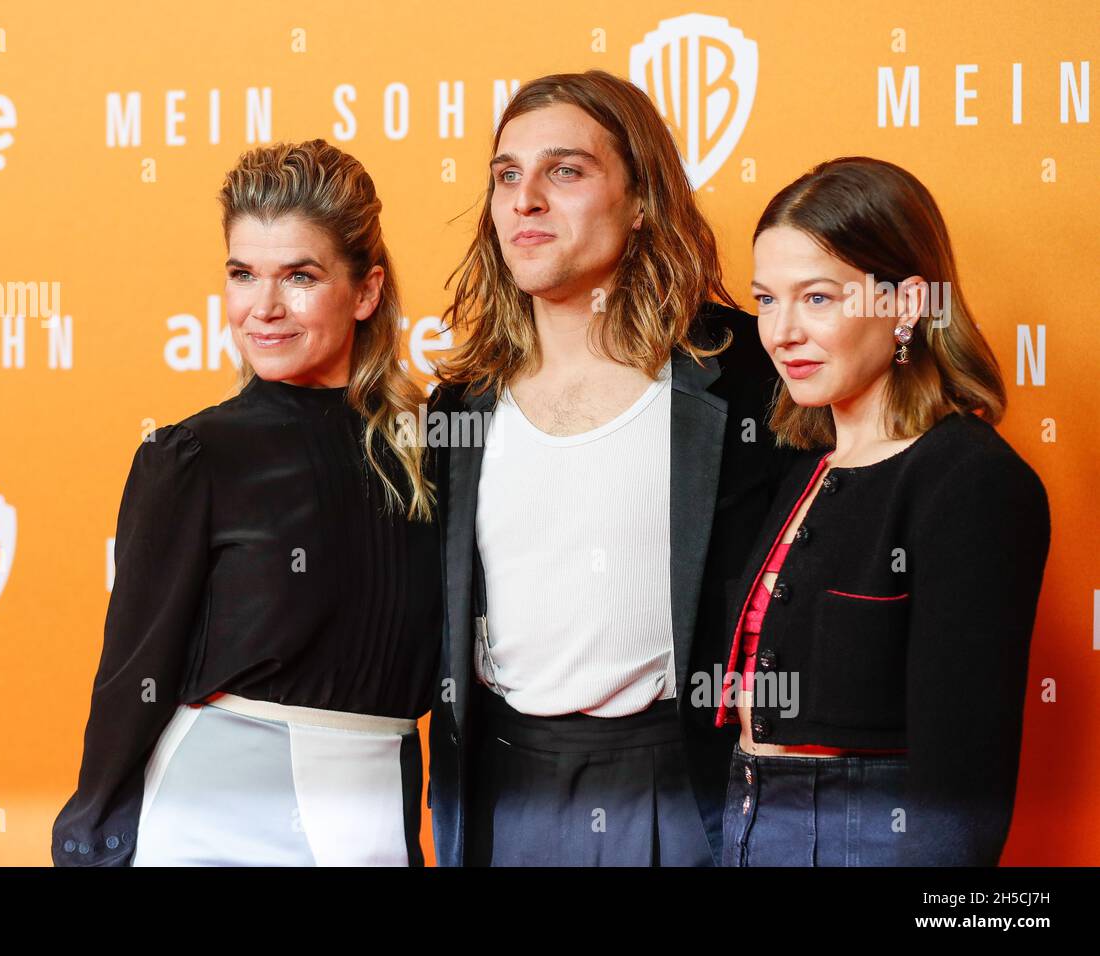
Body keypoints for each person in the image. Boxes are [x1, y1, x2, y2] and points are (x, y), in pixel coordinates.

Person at [427, 69, 791, 867]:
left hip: (686, 787)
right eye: (507, 176)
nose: (525, 200)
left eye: (565, 171)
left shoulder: (745, 374)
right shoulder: (460, 401)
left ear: (640, 200)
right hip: (504, 790)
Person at [51, 139, 441, 866]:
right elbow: (132, 680)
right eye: (242, 274)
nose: (263, 307)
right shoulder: (194, 459)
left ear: (365, 290)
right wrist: (91, 844)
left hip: (380, 824)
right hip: (210, 827)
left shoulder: (435, 452)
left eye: (299, 276)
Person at [716, 156, 1051, 866]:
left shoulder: (971, 480)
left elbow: (963, 783)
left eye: (818, 298)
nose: (781, 333)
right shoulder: (801, 469)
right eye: (767, 300)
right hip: (747, 816)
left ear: (905, 306)